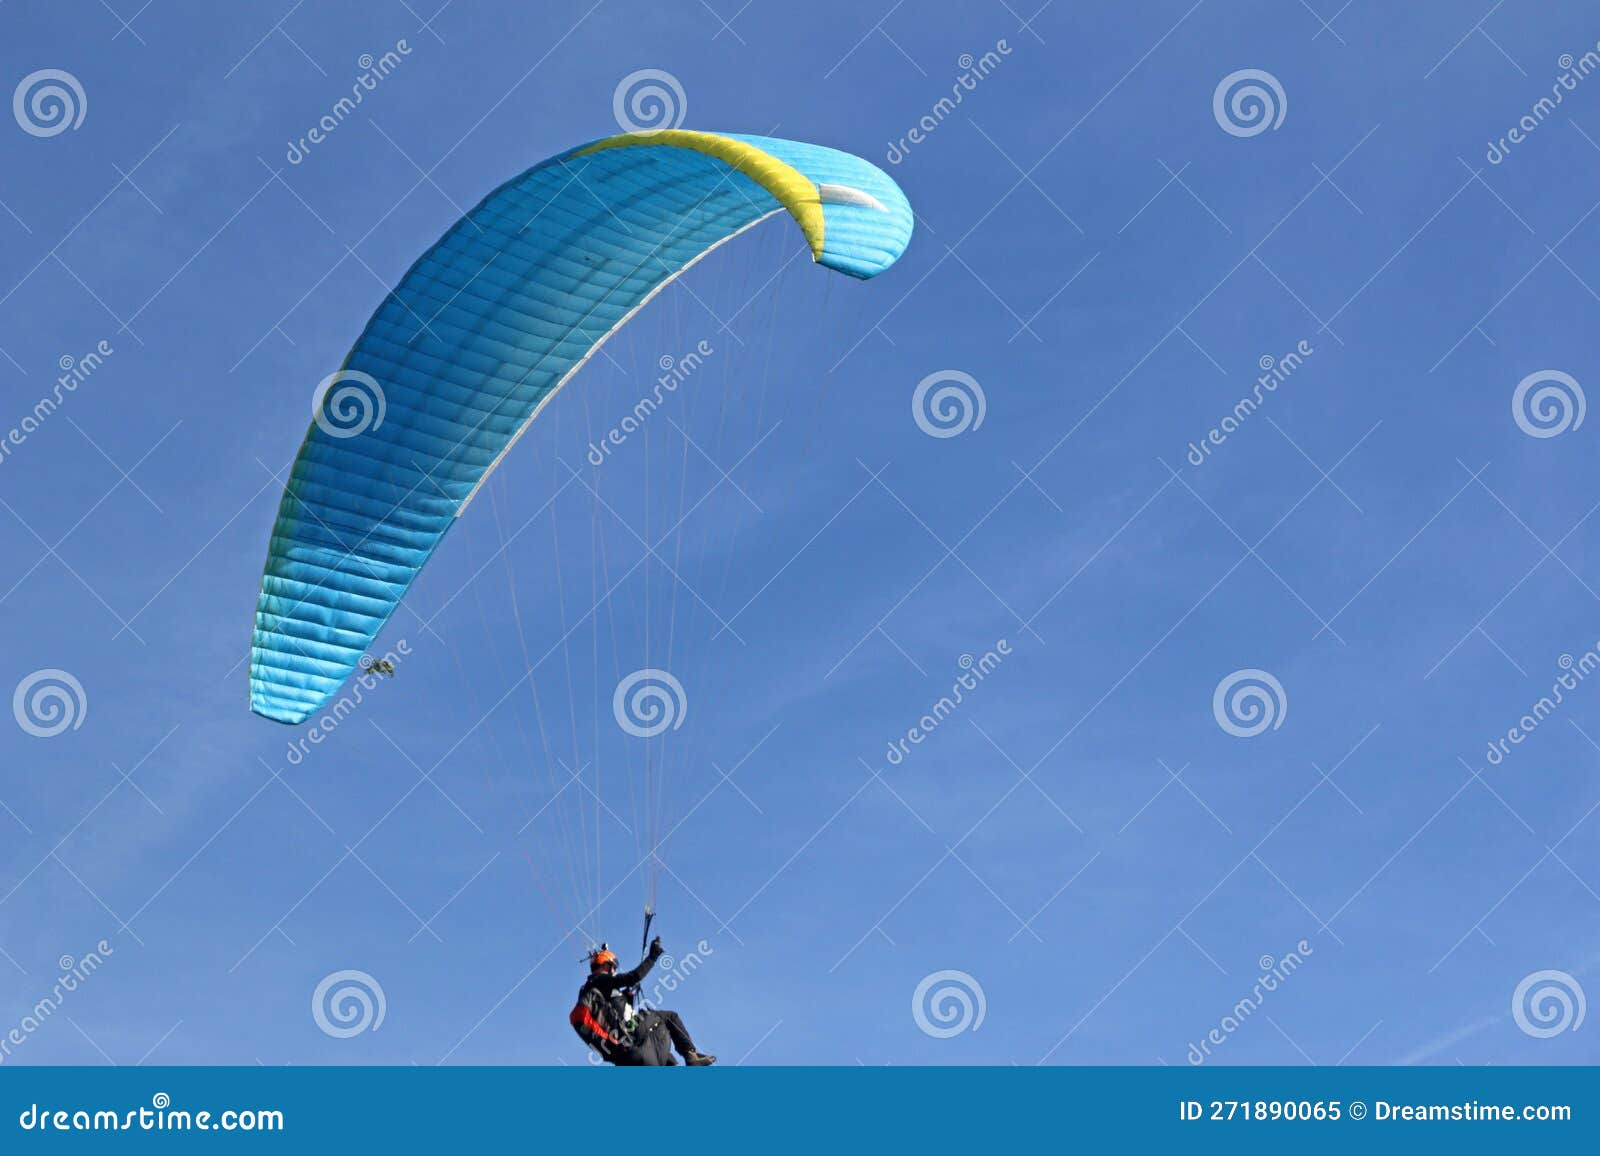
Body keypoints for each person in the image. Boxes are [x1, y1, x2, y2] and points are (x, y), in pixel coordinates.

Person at [569, 937, 716, 1066]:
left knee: (660, 1039)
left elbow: (615, 1013)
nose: (614, 972)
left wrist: (627, 996)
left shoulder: (597, 993)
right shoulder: (599, 980)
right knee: (670, 1017)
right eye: (613, 968)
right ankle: (691, 1056)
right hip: (631, 1036)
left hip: (629, 1051)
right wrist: (652, 957)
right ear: (606, 966)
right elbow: (633, 976)